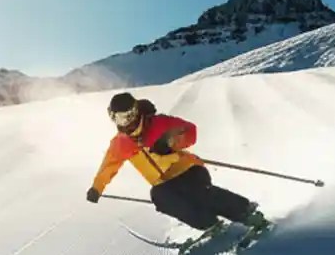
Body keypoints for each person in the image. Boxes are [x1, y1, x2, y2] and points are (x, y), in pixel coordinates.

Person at [85, 92, 268, 233]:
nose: (127, 122)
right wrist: (97, 188)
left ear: (136, 111)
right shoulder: (120, 143)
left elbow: (190, 130)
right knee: (160, 197)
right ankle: (210, 224)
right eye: (120, 118)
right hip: (165, 183)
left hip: (187, 169)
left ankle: (245, 211)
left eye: (129, 115)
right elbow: (109, 166)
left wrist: (170, 142)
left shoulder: (158, 123)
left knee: (197, 192)